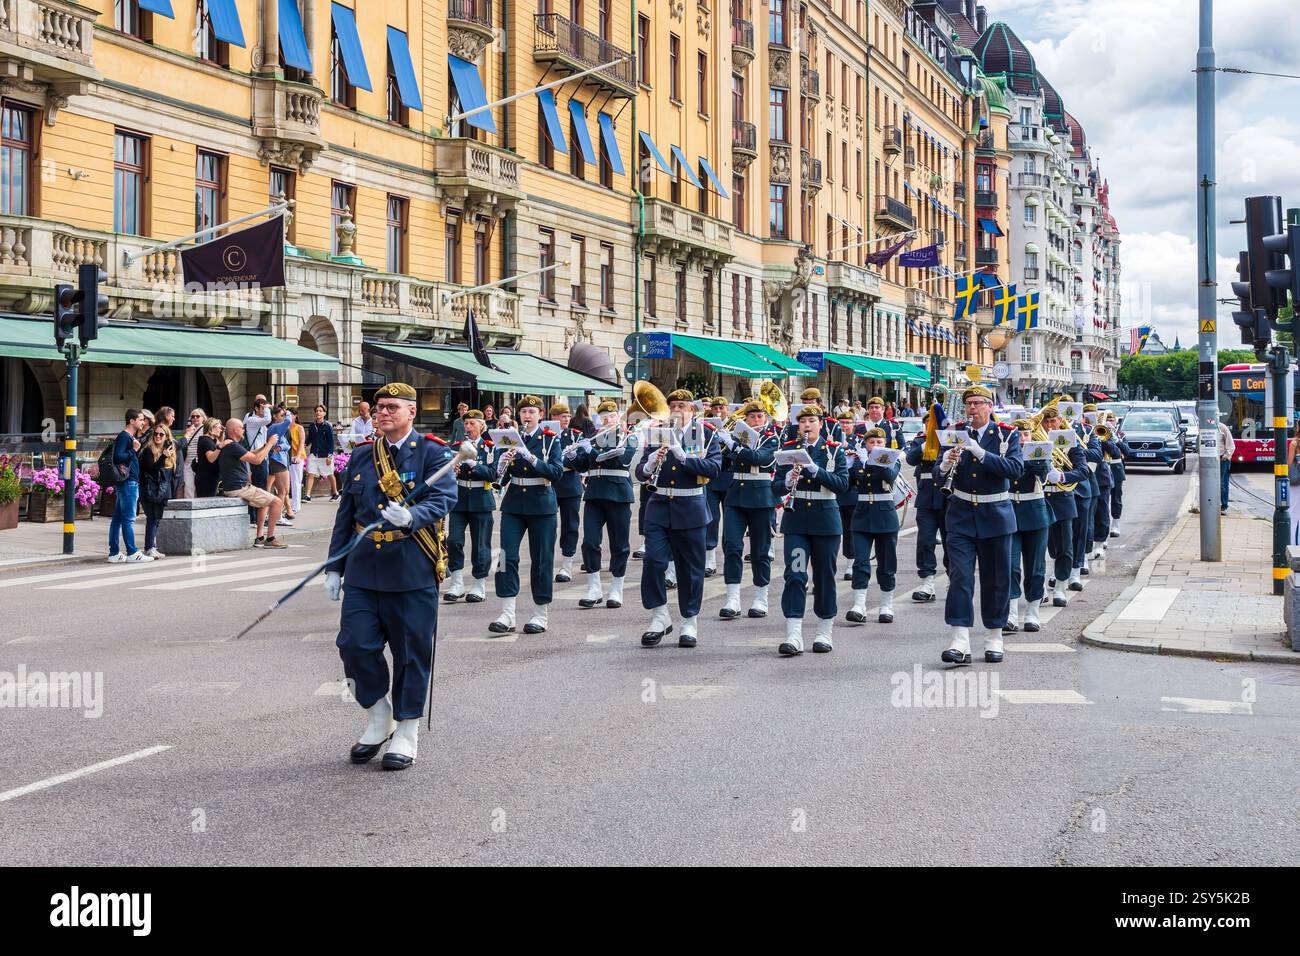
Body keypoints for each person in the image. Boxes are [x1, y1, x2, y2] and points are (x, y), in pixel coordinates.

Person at [323, 382, 458, 772]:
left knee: (411, 653)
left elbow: (444, 497)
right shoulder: (364, 456)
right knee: (354, 644)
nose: (383, 413)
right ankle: (380, 715)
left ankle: (408, 729)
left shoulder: (434, 453)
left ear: (411, 412)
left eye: (392, 407)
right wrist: (335, 566)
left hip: (412, 567)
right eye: (379, 407)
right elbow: (346, 514)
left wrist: (413, 517)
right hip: (365, 569)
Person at [935, 385, 1024, 665]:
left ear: (990, 406)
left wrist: (981, 454)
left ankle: (994, 636)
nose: (972, 409)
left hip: (995, 514)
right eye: (968, 404)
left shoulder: (1006, 434)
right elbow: (938, 471)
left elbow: (1015, 470)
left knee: (996, 579)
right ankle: (959, 639)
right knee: (960, 575)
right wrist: (946, 465)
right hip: (961, 514)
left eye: (977, 404)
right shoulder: (956, 433)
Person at [634, 388, 722, 648]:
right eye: (673, 405)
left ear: (692, 411)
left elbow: (714, 468)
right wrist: (650, 463)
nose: (676, 410)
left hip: (691, 506)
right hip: (659, 506)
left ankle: (689, 621)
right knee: (654, 561)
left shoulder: (706, 434)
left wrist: (683, 457)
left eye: (682, 406)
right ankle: (660, 616)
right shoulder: (656, 432)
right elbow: (639, 473)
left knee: (691, 569)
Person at [774, 404, 849, 655]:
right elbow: (775, 488)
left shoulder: (834, 451)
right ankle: (794, 634)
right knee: (795, 574)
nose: (806, 425)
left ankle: (824, 631)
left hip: (826, 522)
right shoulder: (788, 450)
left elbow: (842, 485)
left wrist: (816, 471)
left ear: (821, 424)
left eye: (812, 421)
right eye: (803, 421)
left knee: (824, 577)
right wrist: (787, 480)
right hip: (796, 521)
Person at [490, 396, 564, 635]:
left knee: (542, 559)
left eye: (532, 412)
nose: (527, 416)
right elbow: (500, 479)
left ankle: (540, 614)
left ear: (540, 415)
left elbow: (556, 473)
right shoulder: (510, 438)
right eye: (523, 412)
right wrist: (500, 465)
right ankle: (507, 613)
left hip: (541, 504)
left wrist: (530, 457)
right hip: (514, 504)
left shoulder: (551, 441)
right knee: (505, 556)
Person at [565, 399, 637, 609]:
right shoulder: (593, 439)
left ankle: (616, 588)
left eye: (611, 416)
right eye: (603, 417)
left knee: (619, 545)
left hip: (619, 494)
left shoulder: (628, 438)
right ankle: (594, 588)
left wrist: (590, 451)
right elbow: (583, 465)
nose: (606, 420)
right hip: (595, 494)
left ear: (618, 417)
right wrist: (572, 456)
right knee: (590, 542)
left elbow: (617, 461)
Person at [715, 400, 779, 619]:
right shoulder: (736, 436)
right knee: (731, 545)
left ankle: (761, 597)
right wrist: (717, 444)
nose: (756, 420)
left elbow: (759, 458)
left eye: (760, 417)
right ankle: (732, 598)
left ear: (766, 418)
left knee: (760, 551)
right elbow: (723, 463)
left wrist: (733, 446)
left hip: (761, 496)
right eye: (752, 417)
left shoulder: (771, 438)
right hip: (735, 496)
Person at [846, 426, 902, 625]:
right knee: (860, 561)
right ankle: (859, 604)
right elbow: (849, 484)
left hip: (885, 516)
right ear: (865, 444)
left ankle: (887, 605)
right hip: (862, 515)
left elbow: (889, 476)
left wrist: (870, 461)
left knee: (887, 563)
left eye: (879, 443)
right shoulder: (858, 461)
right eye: (872, 442)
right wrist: (848, 463)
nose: (876, 446)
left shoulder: (893, 460)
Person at [1040, 405, 1090, 609]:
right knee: (1039, 548)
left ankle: (1060, 585)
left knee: (1064, 547)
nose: (1050, 426)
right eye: (1046, 422)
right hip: (1039, 498)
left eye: (1054, 421)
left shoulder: (1071, 444)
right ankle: (1040, 587)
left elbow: (1083, 471)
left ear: (1060, 421)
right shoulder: (1035, 441)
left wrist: (1062, 476)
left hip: (1062, 497)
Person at [444, 410, 496, 604]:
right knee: (454, 540)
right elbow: (445, 471)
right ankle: (457, 583)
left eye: (472, 424)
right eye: (466, 424)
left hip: (481, 498)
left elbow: (493, 475)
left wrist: (474, 465)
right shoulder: (457, 447)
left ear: (482, 426)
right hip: (459, 498)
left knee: (481, 544)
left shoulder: (489, 448)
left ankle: (479, 584)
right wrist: (453, 470)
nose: (468, 428)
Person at [1005, 418, 1050, 634]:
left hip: (1034, 512)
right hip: (1010, 512)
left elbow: (1043, 473)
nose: (1023, 439)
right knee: (1011, 566)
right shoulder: (1007, 452)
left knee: (1035, 567)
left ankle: (1033, 611)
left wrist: (1031, 460)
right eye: (1020, 435)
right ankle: (1012, 613)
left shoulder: (1040, 452)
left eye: (1026, 435)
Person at [904, 402, 949, 603]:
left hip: (948, 499)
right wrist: (927, 443)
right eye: (928, 423)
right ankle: (927, 582)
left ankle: (952, 578)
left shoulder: (950, 440)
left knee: (952, 542)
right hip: (926, 500)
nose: (931, 426)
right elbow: (911, 459)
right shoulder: (920, 440)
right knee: (925, 541)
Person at [218, 419, 286, 548]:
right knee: (277, 502)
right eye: (241, 428)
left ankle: (260, 537)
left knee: (265, 501)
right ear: (234, 430)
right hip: (239, 488)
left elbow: (250, 454)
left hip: (234, 487)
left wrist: (264, 445)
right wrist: (270, 445)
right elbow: (257, 460)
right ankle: (270, 539)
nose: (244, 429)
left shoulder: (231, 445)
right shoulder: (232, 446)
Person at [107, 409, 150, 563]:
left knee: (118, 518)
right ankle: (132, 552)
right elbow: (119, 457)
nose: (143, 422)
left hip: (127, 481)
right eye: (140, 419)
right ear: (131, 421)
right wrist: (134, 450)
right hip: (128, 482)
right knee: (128, 518)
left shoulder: (128, 437)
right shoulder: (125, 436)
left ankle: (114, 553)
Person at [550, 402, 584, 584]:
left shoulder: (575, 435)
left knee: (570, 525)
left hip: (570, 484)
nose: (566, 419)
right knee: (548, 524)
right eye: (562, 416)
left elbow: (579, 461)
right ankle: (547, 561)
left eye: (567, 415)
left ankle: (567, 564)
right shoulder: (546, 436)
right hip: (551, 483)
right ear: (554, 418)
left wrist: (569, 458)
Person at [138, 421, 176, 559]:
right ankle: (149, 548)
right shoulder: (148, 450)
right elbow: (151, 470)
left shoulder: (169, 451)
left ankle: (152, 546)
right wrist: (163, 457)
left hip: (162, 490)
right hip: (148, 489)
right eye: (156, 434)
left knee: (157, 519)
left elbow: (172, 473)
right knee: (152, 518)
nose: (158, 436)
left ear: (167, 436)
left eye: (161, 434)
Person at [702, 396, 731, 576]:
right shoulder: (706, 428)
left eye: (722, 407)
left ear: (727, 409)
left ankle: (730, 558)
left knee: (730, 522)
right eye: (715, 408)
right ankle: (710, 559)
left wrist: (729, 442)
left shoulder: (736, 427)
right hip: (712, 479)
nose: (718, 411)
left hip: (729, 477)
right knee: (711, 519)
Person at [835, 409, 861, 580]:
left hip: (851, 491)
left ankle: (850, 564)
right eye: (841, 423)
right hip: (835, 491)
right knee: (834, 530)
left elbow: (861, 461)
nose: (844, 426)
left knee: (850, 529)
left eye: (847, 423)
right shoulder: (832, 441)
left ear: (853, 424)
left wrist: (850, 449)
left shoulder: (858, 441)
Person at [242, 395, 272, 525]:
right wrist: (267, 408)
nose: (264, 410)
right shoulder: (252, 420)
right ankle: (254, 517)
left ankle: (258, 516)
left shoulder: (258, 422)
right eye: (262, 408)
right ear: (256, 408)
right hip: (256, 458)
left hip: (262, 457)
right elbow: (268, 419)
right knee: (258, 488)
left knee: (261, 487)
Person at [303, 405, 339, 501]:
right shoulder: (312, 426)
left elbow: (331, 442)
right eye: (317, 411)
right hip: (314, 453)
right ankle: (308, 496)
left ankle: (335, 493)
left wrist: (330, 456)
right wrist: (305, 444)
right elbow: (310, 438)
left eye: (320, 411)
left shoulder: (327, 426)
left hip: (325, 454)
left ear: (324, 413)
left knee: (330, 473)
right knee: (310, 473)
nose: (318, 412)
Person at [265, 405, 293, 527]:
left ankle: (277, 516)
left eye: (283, 414)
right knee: (283, 491)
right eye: (281, 415)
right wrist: (287, 413)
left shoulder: (276, 428)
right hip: (278, 460)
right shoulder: (276, 426)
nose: (284, 416)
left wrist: (281, 447)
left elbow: (287, 445)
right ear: (274, 417)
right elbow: (288, 421)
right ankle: (277, 517)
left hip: (280, 459)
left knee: (282, 491)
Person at [1108, 412, 1129, 537]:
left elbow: (1127, 451)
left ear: (1115, 422)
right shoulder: (1098, 433)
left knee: (1116, 497)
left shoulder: (1120, 435)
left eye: (1112, 420)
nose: (1110, 423)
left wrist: (1117, 440)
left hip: (1116, 468)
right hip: (1104, 468)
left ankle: (1115, 523)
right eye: (1107, 420)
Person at [181, 408, 207, 498]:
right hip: (188, 462)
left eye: (197, 416)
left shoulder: (205, 429)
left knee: (199, 487)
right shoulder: (189, 430)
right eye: (193, 417)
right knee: (189, 487)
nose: (195, 418)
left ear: (203, 418)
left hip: (199, 462)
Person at [194, 418, 223, 498]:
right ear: (212, 427)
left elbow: (219, 443)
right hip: (207, 479)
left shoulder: (208, 440)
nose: (221, 430)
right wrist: (220, 447)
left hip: (207, 478)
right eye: (219, 427)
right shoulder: (206, 441)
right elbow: (211, 458)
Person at [287, 408, 306, 518]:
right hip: (287, 456)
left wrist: (298, 456)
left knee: (296, 481)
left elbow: (301, 443)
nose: (288, 416)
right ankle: (289, 504)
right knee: (286, 482)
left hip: (296, 457)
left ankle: (296, 505)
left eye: (290, 414)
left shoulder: (299, 428)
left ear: (295, 416)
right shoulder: (285, 427)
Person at [1218, 416, 1235, 515]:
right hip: (1210, 460)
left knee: (1223, 484)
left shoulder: (1222, 427)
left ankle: (1224, 506)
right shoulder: (1203, 427)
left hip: (1222, 459)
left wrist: (1225, 456)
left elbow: (1231, 446)